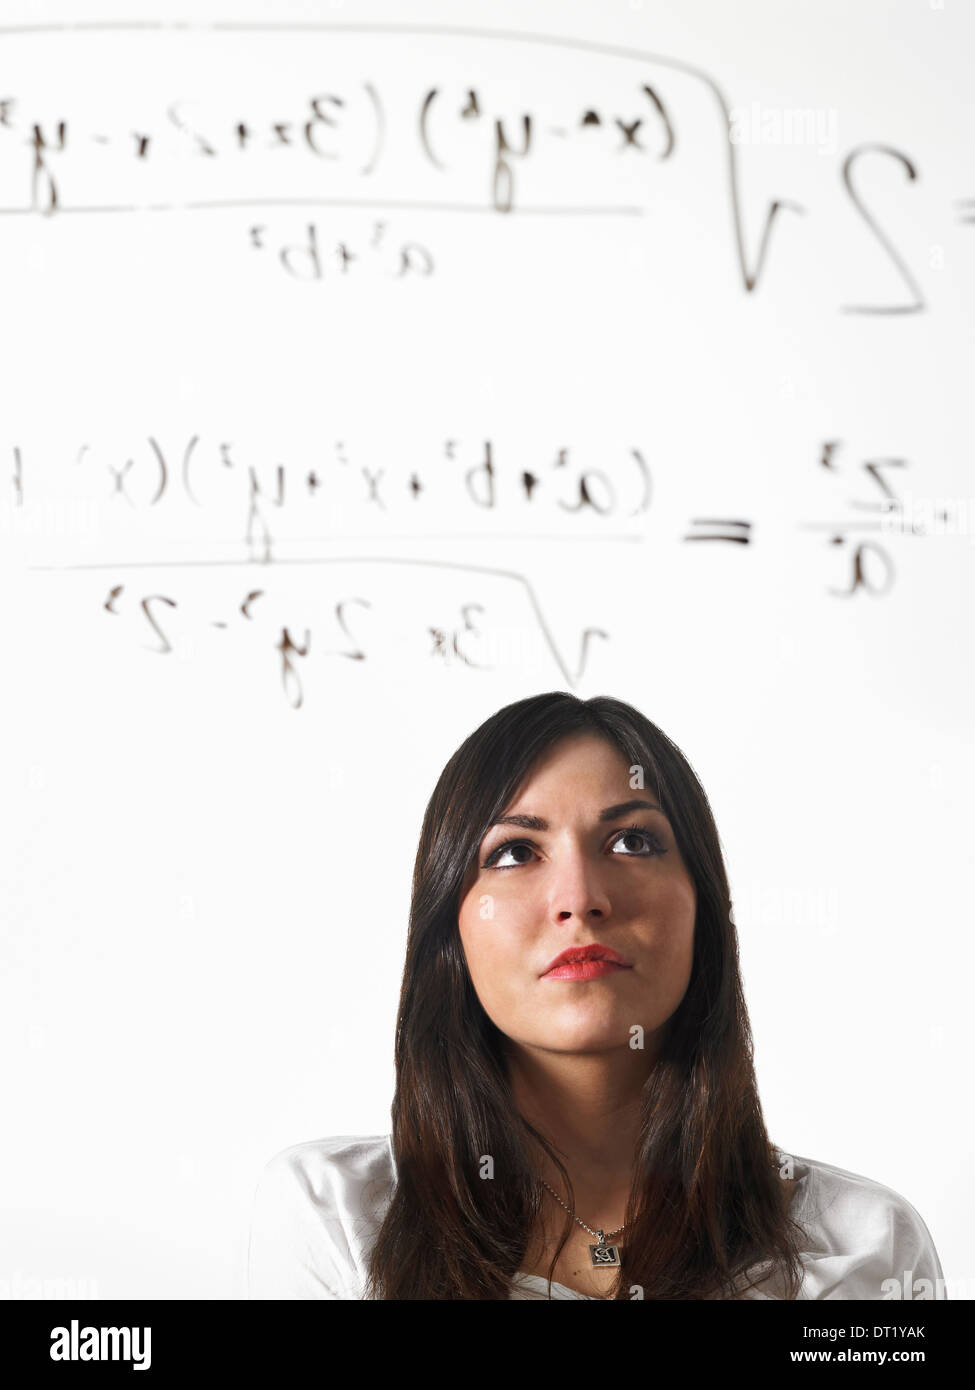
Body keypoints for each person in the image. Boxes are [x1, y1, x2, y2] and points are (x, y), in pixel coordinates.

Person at [247, 691, 945, 1300]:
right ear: (448, 931)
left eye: (633, 841)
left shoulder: (866, 1249)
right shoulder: (337, 1217)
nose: (579, 900)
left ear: (703, 906)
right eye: (515, 853)